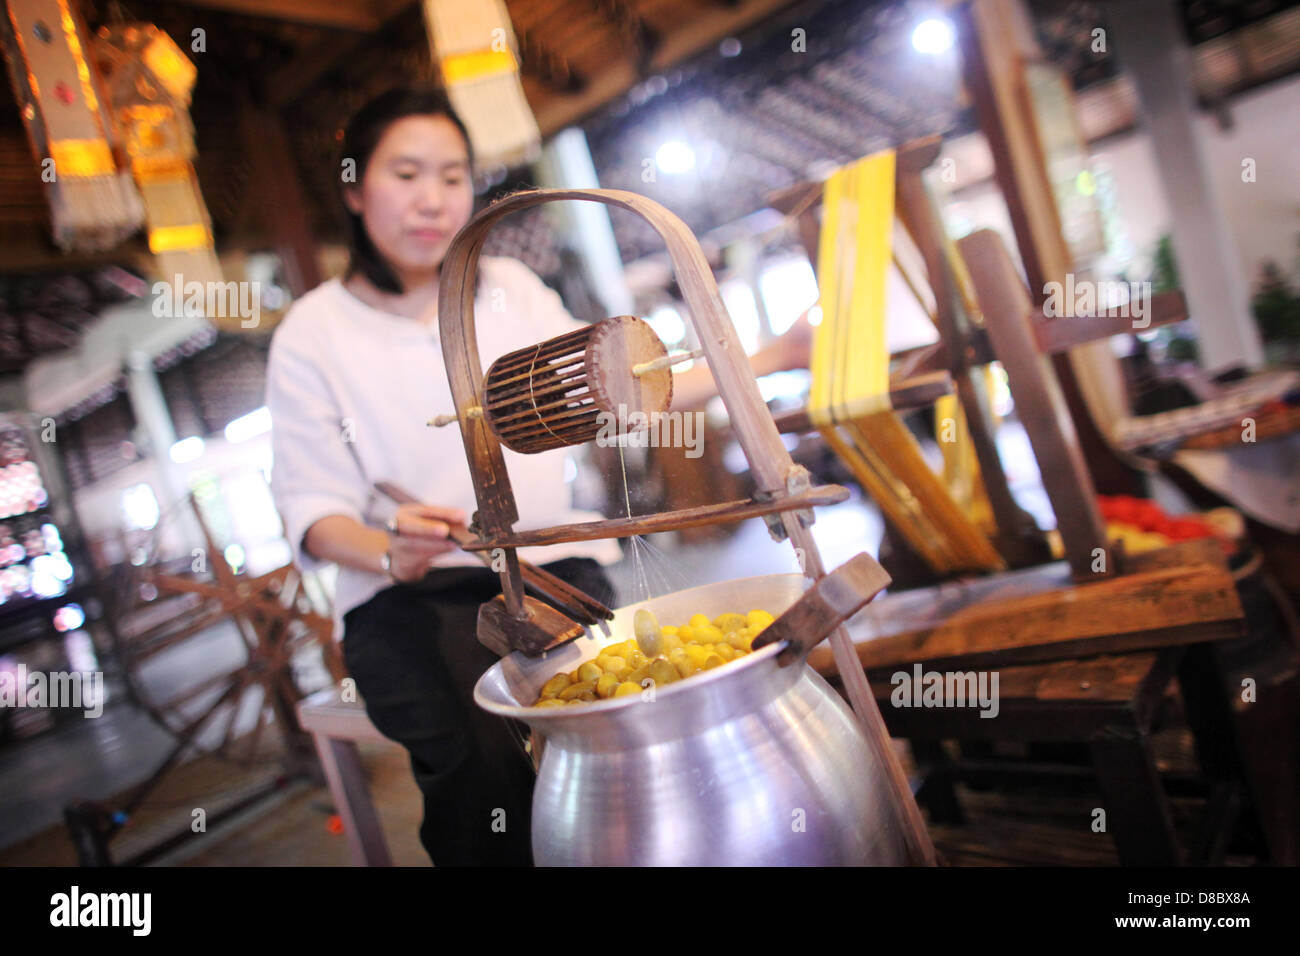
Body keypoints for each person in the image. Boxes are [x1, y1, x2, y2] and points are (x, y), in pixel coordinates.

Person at [266, 86, 812, 867]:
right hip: (409, 600)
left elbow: (622, 390)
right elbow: (313, 509)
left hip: (551, 570)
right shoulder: (312, 333)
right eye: (407, 174)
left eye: (453, 177)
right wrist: (388, 548)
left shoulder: (513, 293)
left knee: (620, 730)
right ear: (354, 189)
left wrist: (768, 359)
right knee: (483, 769)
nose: (433, 199)